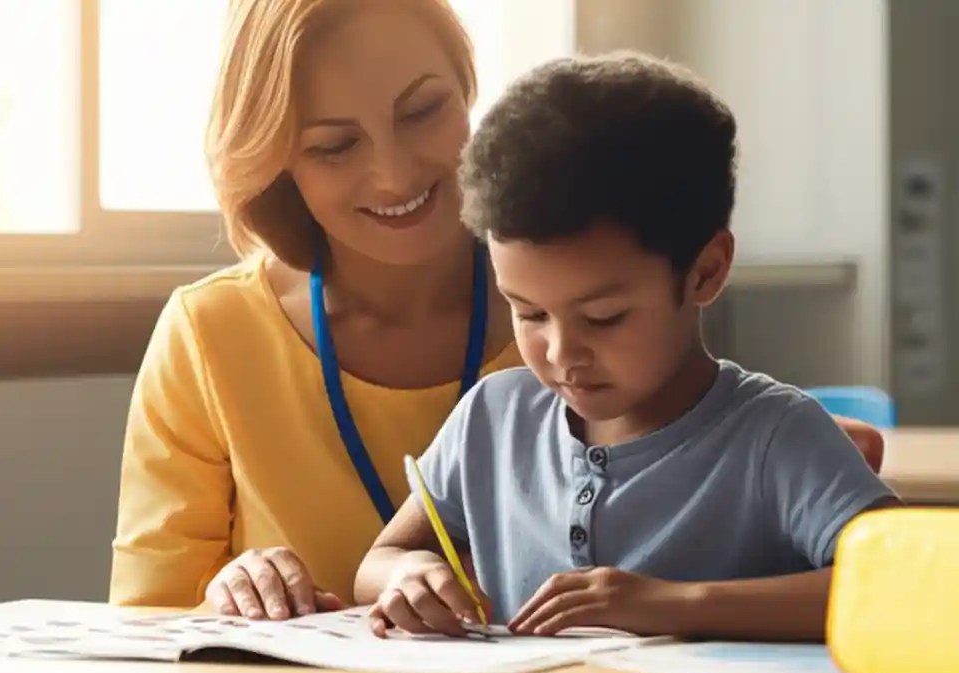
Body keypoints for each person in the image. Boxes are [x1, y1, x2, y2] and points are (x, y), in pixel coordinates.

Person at [109, 1, 886, 620]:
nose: (392, 174)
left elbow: (889, 571)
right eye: (334, 145)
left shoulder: (572, 262)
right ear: (278, 160)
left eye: (421, 111)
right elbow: (148, 621)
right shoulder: (217, 339)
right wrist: (230, 595)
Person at [353, 52, 901, 642]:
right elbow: (376, 565)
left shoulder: (774, 437)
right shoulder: (492, 420)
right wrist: (409, 573)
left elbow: (911, 583)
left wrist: (674, 605)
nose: (562, 353)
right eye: (529, 312)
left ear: (705, 272)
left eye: (604, 317)